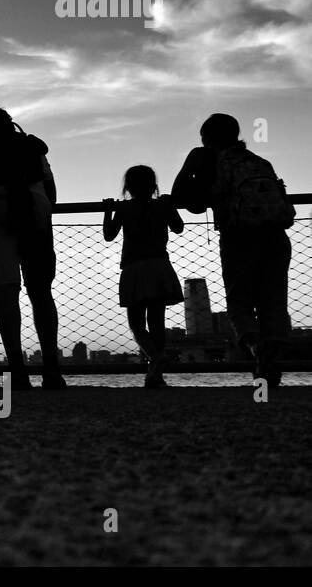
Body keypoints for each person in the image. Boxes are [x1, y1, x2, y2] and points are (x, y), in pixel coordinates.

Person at [171, 113, 294, 387]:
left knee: (240, 301)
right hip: (276, 237)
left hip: (239, 237)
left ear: (207, 140)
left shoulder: (214, 165)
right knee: (273, 300)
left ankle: (255, 346)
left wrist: (189, 165)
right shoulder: (260, 162)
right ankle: (271, 361)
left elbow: (188, 201)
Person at [0, 107, 63, 390]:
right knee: (41, 292)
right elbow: (51, 189)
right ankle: (52, 369)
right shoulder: (28, 143)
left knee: (6, 290)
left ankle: (17, 369)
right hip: (35, 212)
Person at [103, 166, 184, 388]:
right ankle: (156, 373)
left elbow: (109, 235)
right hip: (159, 265)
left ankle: (155, 358)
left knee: (136, 323)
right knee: (157, 320)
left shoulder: (125, 208)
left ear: (127, 187)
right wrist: (170, 206)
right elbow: (178, 228)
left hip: (134, 268)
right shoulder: (163, 205)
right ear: (154, 185)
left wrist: (108, 210)